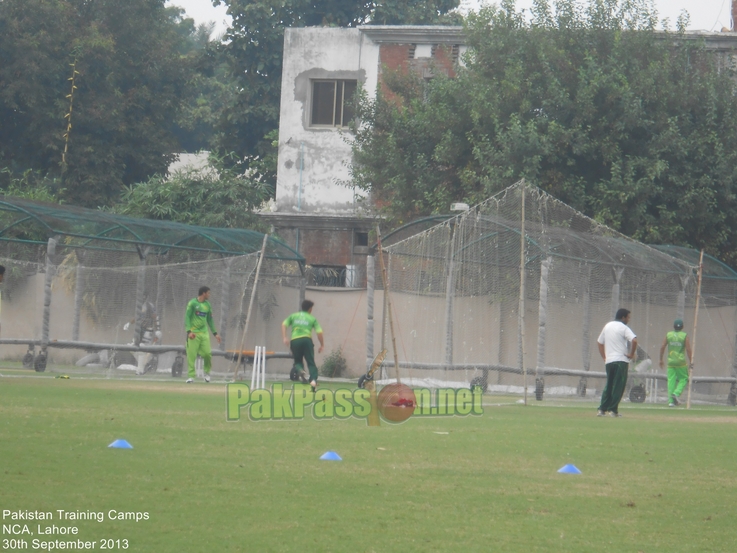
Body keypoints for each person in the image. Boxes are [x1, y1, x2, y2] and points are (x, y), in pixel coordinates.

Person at [597, 308, 637, 417]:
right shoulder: (624, 328)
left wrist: (605, 357)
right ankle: (613, 410)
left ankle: (602, 409)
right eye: (628, 317)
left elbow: (600, 342)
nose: (629, 320)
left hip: (609, 361)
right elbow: (634, 340)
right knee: (618, 386)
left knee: (609, 385)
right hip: (621, 361)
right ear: (623, 317)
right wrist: (632, 354)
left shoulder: (607, 326)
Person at [282, 299, 324, 392]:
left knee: (297, 361)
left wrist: (285, 337)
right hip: (306, 340)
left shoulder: (294, 316)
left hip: (295, 340)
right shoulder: (312, 318)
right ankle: (313, 381)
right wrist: (322, 345)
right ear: (309, 309)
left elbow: (284, 324)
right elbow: (319, 332)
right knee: (311, 362)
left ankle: (300, 369)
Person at [184, 286, 221, 383]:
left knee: (207, 354)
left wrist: (215, 333)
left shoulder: (207, 305)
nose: (209, 295)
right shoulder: (192, 303)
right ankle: (191, 376)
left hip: (204, 333)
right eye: (208, 293)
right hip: (193, 334)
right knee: (191, 356)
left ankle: (207, 373)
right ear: (203, 293)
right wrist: (189, 331)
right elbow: (187, 317)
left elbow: (210, 320)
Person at [123, 295, 161, 375]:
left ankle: (140, 370)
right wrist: (129, 323)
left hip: (148, 330)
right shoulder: (139, 305)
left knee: (142, 348)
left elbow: (155, 317)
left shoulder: (149, 305)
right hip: (139, 330)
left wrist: (158, 330)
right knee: (132, 347)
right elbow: (136, 317)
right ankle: (147, 363)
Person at [659, 318, 692, 407]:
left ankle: (671, 401)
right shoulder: (684, 335)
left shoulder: (669, 335)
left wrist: (661, 359)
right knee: (684, 378)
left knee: (671, 381)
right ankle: (676, 393)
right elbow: (688, 349)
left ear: (673, 326)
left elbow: (662, 346)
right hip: (681, 362)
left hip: (671, 361)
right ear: (682, 327)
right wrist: (691, 361)